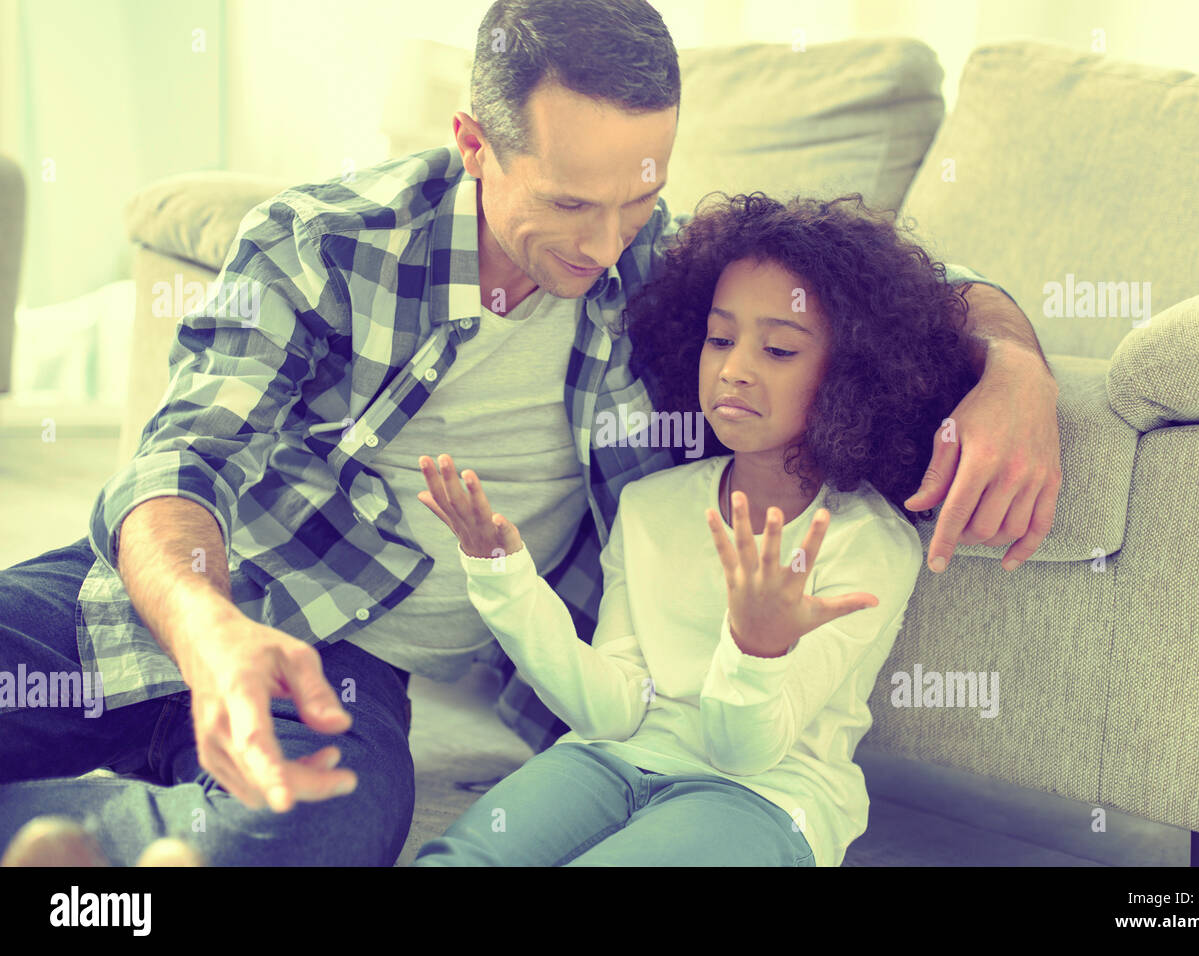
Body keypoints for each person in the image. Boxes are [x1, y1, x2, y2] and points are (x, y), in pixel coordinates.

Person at [0, 0, 1061, 867]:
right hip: (192, 596)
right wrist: (209, 630)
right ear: (473, 143)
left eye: (638, 198)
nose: (607, 244)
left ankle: (97, 864)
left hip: (343, 661)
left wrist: (1012, 363)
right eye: (568, 203)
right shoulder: (319, 243)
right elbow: (184, 456)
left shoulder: (665, 271)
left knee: (326, 829)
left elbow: (875, 284)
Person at [411, 192, 981, 867]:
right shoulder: (650, 505)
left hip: (763, 796)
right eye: (719, 338)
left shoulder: (868, 542)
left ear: (852, 375)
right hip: (607, 760)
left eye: (777, 348)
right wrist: (502, 576)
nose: (734, 368)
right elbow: (611, 711)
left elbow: (746, 751)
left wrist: (756, 647)